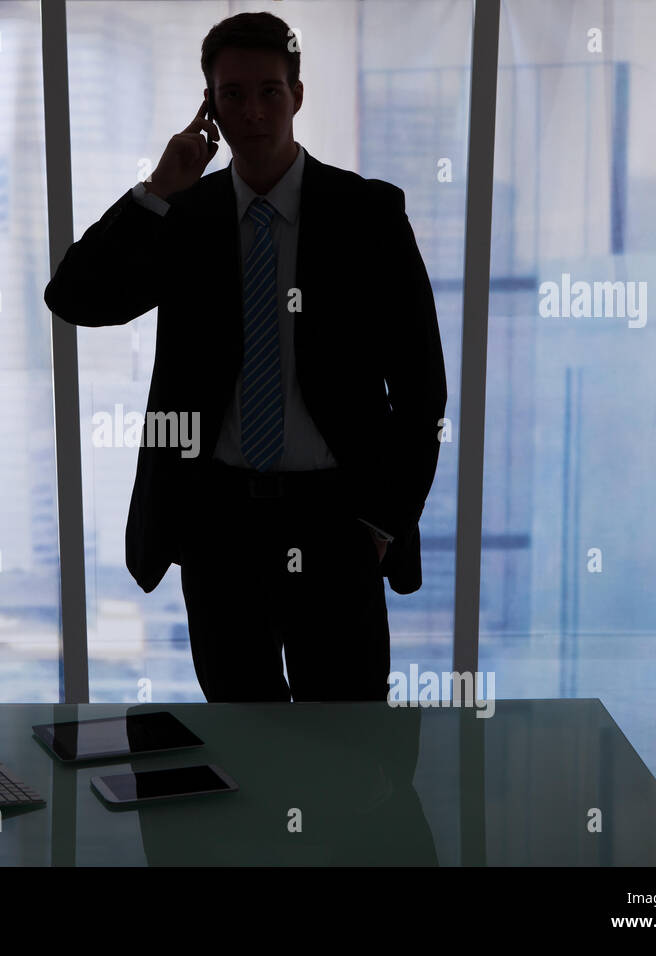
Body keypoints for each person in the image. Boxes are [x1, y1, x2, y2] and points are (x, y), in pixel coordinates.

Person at [44, 12, 447, 702]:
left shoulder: (366, 215)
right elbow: (77, 296)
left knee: (351, 752)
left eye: (268, 91)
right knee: (239, 751)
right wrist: (156, 191)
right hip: (219, 525)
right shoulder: (187, 217)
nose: (252, 112)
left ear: (297, 94)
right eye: (232, 95)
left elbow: (421, 388)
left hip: (336, 522)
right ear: (210, 107)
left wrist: (379, 526)